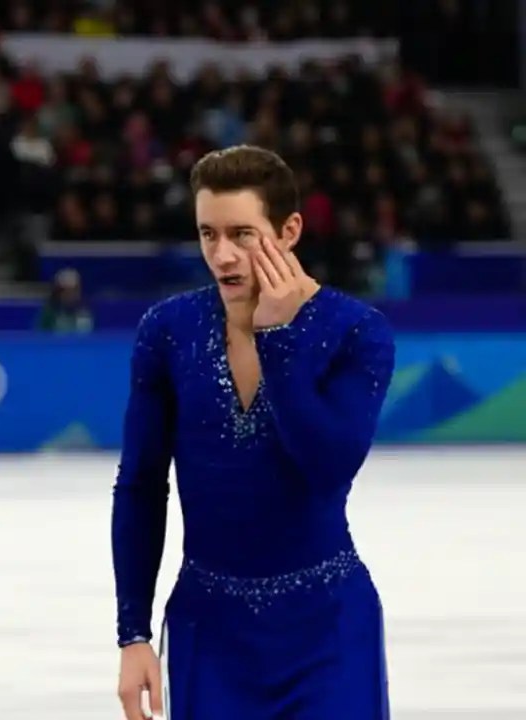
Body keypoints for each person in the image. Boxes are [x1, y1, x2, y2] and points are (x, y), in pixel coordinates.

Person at [112, 146, 395, 719]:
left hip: (327, 632)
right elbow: (141, 484)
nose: (222, 255)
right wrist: (132, 632)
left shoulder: (357, 333)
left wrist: (278, 340)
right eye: (207, 234)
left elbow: (327, 468)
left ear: (289, 230)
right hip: (209, 633)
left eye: (242, 234)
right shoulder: (168, 332)